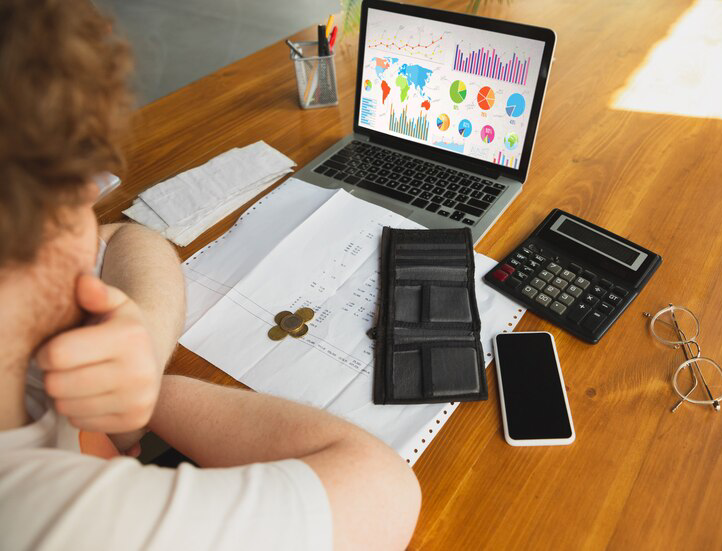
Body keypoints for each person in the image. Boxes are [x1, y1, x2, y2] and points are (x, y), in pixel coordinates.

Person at [0, 1, 421, 549]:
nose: (93, 205)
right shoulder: (62, 518)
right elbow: (385, 490)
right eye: (84, 194)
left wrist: (146, 342)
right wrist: (155, 393)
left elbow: (130, 238)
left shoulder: (20, 307)